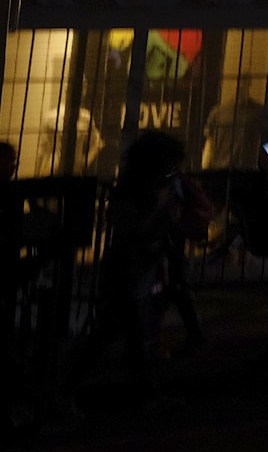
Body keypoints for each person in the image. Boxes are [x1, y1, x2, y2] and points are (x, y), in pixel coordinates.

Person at [72, 129, 186, 406]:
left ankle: (147, 392)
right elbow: (129, 226)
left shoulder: (146, 184)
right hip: (131, 266)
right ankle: (65, 389)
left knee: (128, 331)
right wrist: (160, 209)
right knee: (118, 330)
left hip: (137, 264)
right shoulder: (138, 188)